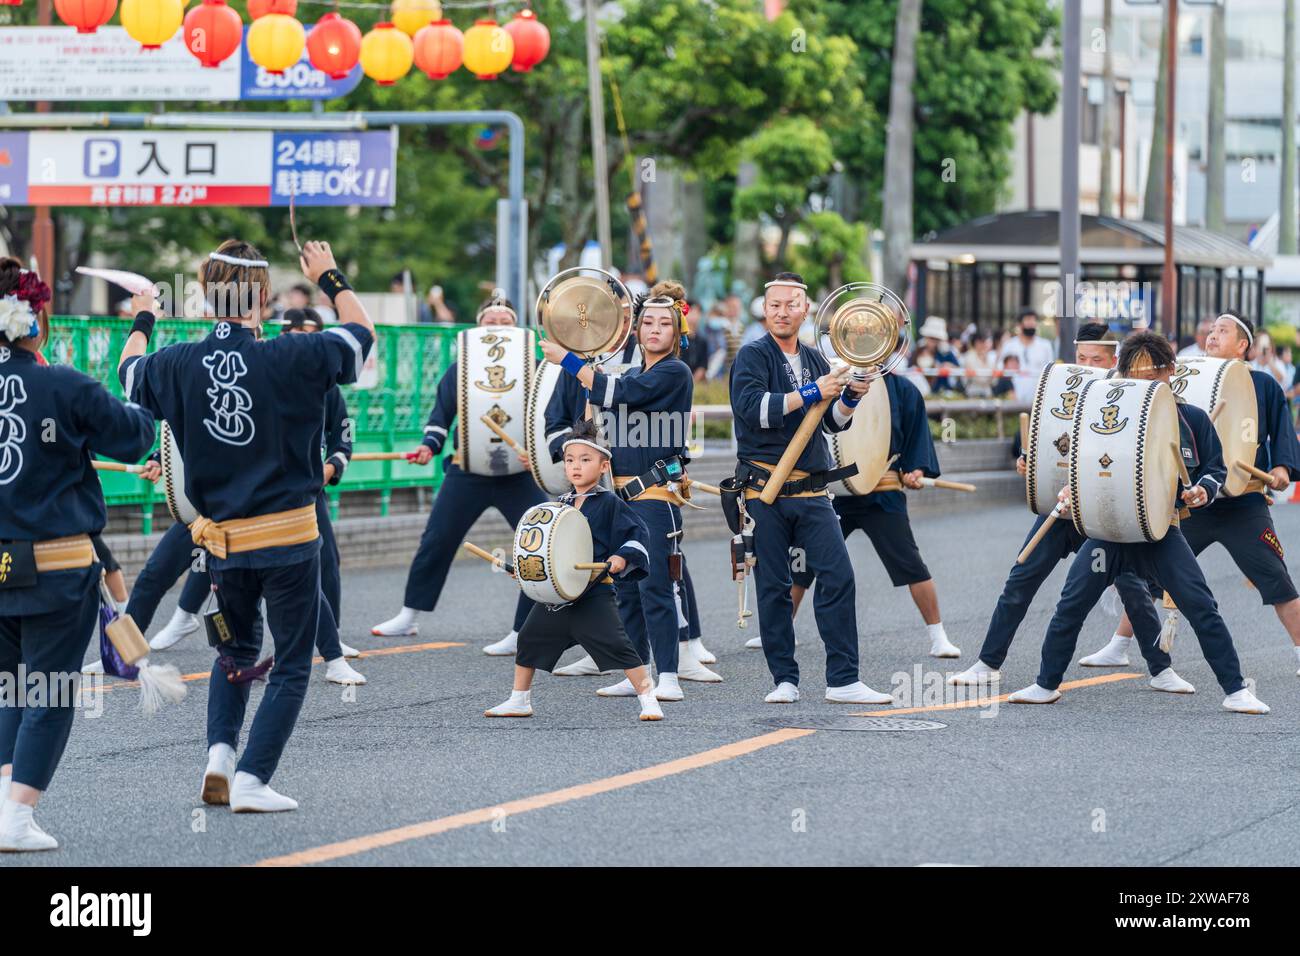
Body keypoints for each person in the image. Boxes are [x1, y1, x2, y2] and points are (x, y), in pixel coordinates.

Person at [119, 237, 376, 812]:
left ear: (209, 297)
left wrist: (144, 314)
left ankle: (219, 756)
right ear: (262, 296)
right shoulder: (297, 352)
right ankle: (254, 780)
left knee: (234, 655)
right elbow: (363, 336)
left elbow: (129, 372)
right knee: (288, 662)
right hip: (288, 540)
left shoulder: (177, 361)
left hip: (221, 546)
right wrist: (330, 277)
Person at [1006, 330, 1269, 715]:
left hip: (1161, 534)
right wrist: (1072, 490)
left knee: (1201, 605)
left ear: (1171, 372)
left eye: (1153, 374)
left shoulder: (1190, 419)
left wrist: (1201, 492)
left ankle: (1235, 689)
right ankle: (1046, 684)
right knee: (1071, 604)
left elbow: (1215, 469)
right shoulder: (1102, 417)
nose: (1145, 383)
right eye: (1136, 375)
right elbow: (1080, 464)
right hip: (1108, 531)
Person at [1, 258, 155, 850]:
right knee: (48, 690)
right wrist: (142, 336)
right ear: (34, 320)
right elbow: (137, 432)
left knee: (8, 686)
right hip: (55, 564)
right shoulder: (62, 383)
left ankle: (7, 806)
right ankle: (16, 818)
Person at [949, 324, 1179, 690]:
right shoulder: (1065, 388)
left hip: (1103, 506)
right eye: (1082, 357)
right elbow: (1047, 437)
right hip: (1061, 505)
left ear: (1114, 360)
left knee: (1131, 586)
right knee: (1021, 578)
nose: (1087, 364)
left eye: (1097, 359)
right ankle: (987, 663)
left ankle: (1161, 669)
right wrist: (1028, 458)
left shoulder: (1125, 396)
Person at [1081, 312, 1300, 676]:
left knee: (1275, 577)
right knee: (1153, 575)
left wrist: (1281, 470)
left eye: (1222, 331)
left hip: (1242, 502)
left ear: (1243, 344)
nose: (1212, 335)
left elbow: (1282, 437)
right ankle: (1119, 646)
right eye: (1211, 330)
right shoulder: (1184, 374)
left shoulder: (1263, 384)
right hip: (1193, 500)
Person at [539, 281, 721, 702]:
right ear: (636, 330)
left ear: (677, 332)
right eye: (648, 323)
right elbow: (605, 415)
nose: (655, 330)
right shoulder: (637, 371)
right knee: (627, 588)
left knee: (655, 585)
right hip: (622, 497)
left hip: (655, 495)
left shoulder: (672, 372)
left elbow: (619, 393)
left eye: (664, 324)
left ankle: (670, 675)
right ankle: (637, 673)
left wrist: (569, 360)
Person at [727, 271, 892, 705]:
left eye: (791, 304)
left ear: (806, 309)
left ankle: (843, 679)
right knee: (774, 586)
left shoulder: (819, 359)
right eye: (774, 305)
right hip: (765, 490)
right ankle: (784, 678)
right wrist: (810, 391)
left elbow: (833, 423)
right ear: (764, 310)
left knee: (839, 577)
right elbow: (753, 410)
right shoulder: (752, 356)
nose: (782, 312)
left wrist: (851, 394)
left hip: (814, 490)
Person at [371, 291, 544, 653]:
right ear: (477, 327)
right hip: (468, 470)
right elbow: (440, 418)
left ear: (518, 328)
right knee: (436, 539)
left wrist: (542, 456)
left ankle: (522, 629)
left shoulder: (536, 366)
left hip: (520, 473)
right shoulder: (461, 369)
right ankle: (409, 614)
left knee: (538, 543)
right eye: (490, 321)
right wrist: (428, 446)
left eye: (505, 321)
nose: (497, 327)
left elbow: (552, 418)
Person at [484, 420, 663, 722]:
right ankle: (519, 700)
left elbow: (637, 535)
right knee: (528, 639)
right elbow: (547, 548)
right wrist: (528, 570)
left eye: (585, 460)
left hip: (594, 593)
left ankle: (648, 699)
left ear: (604, 466)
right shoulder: (559, 505)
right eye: (570, 460)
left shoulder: (609, 503)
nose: (575, 467)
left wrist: (621, 557)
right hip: (558, 594)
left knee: (621, 647)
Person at [786, 359, 961, 659]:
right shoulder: (834, 381)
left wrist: (915, 470)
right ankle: (780, 628)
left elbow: (916, 441)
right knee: (800, 561)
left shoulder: (904, 390)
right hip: (832, 490)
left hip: (883, 491)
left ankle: (938, 636)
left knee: (910, 563)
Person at [999, 308, 1054, 376]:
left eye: (1034, 320)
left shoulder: (1045, 345)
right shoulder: (1009, 345)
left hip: (1037, 386)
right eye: (1028, 320)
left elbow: (1051, 371)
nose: (1032, 323)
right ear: (1019, 324)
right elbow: (1001, 368)